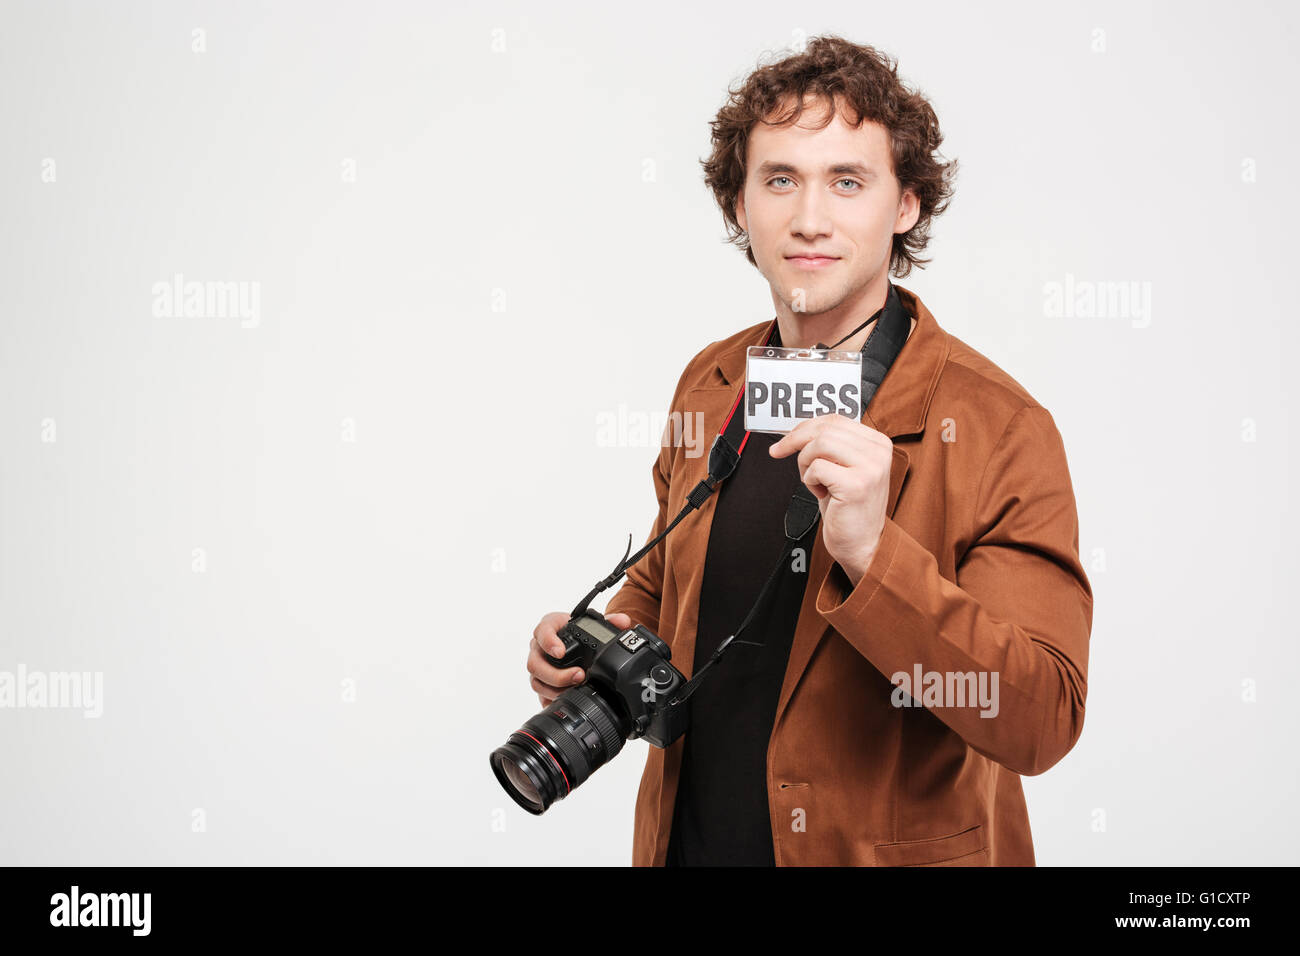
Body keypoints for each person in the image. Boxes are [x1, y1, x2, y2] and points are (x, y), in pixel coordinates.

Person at [526, 35, 1092, 866]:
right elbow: (667, 581)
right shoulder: (711, 382)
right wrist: (597, 645)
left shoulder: (1000, 425)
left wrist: (873, 557)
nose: (810, 219)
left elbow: (1041, 721)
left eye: (848, 181)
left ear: (906, 206)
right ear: (738, 204)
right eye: (780, 179)